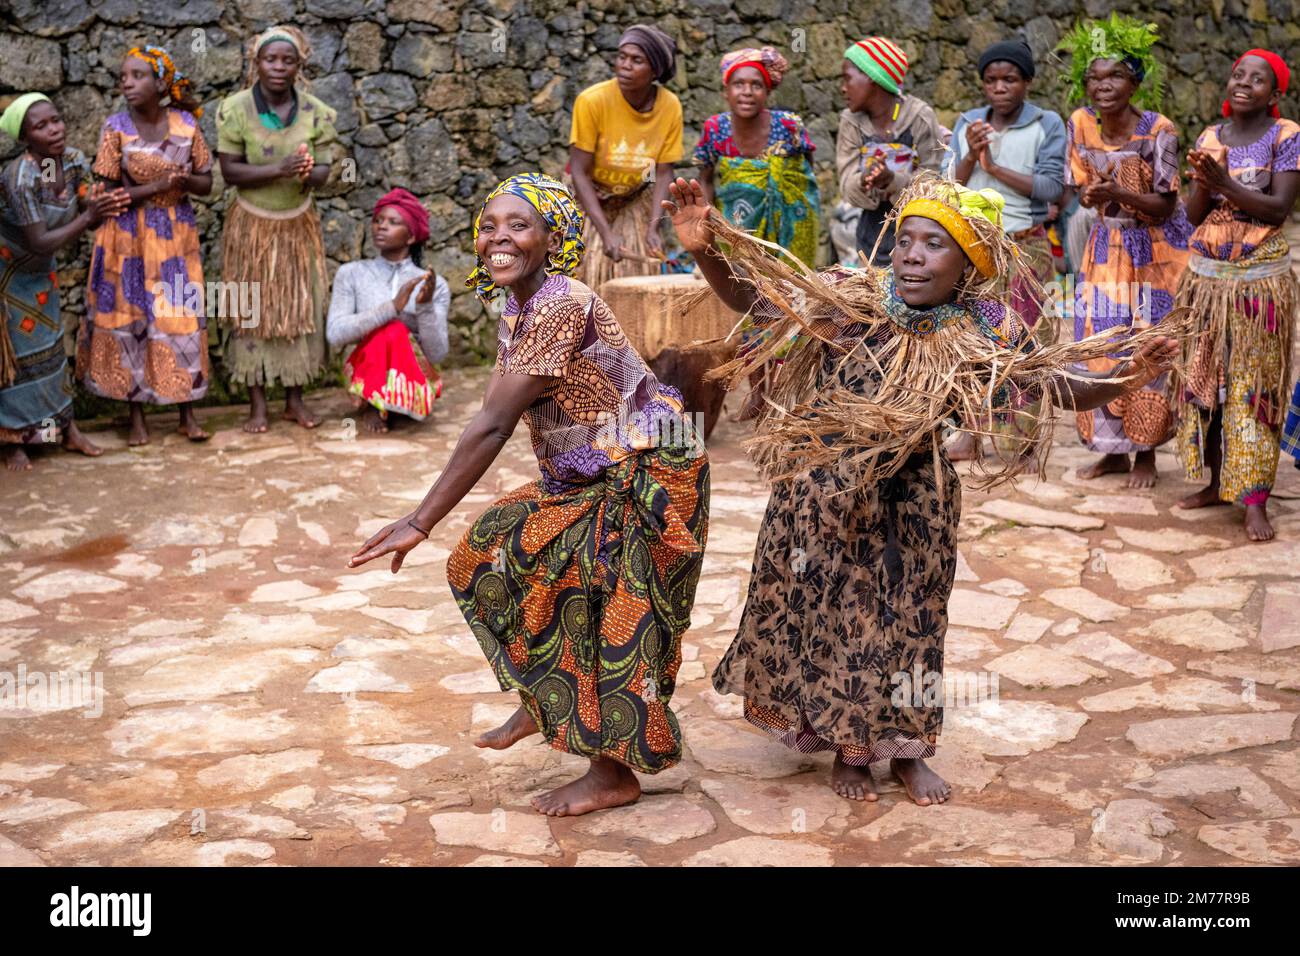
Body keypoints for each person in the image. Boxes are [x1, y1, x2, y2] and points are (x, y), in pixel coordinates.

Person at [664, 172, 1178, 803]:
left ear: (967, 264)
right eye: (905, 238)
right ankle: (848, 747)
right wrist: (704, 250)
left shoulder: (980, 331)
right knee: (833, 617)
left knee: (912, 621)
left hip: (914, 501)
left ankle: (906, 749)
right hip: (824, 492)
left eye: (934, 243)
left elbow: (1050, 386)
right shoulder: (851, 297)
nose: (911, 252)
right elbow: (758, 297)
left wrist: (1127, 379)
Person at [348, 174, 708, 817]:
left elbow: (491, 423)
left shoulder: (560, 304)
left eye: (518, 225)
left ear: (553, 238)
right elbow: (501, 409)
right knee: (490, 557)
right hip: (586, 472)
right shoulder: (520, 303)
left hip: (649, 469)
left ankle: (613, 773)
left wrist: (419, 519)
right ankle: (545, 698)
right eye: (489, 225)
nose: (498, 237)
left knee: (615, 618)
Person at [1057, 14, 1190, 488]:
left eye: (1114, 74)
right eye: (1094, 77)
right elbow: (1082, 188)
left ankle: (1147, 453)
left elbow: (1166, 200)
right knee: (1101, 345)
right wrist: (1092, 197)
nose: (1103, 85)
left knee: (1147, 342)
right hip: (1104, 248)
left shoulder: (1159, 130)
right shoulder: (1079, 125)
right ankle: (1110, 451)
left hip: (1153, 252)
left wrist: (1122, 194)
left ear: (1135, 80)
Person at [1174, 50, 1300, 542]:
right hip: (1206, 279)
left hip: (1258, 281)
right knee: (1204, 381)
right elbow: (1192, 215)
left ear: (1276, 92)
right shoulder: (1211, 137)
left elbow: (1278, 210)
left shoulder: (1287, 136)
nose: (1243, 83)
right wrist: (1207, 183)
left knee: (1256, 385)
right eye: (1238, 74)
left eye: (1258, 78)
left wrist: (1226, 182)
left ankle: (1253, 500)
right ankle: (1213, 481)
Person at [77, 46, 214, 446]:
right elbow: (107, 192)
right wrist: (157, 186)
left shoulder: (186, 124)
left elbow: (207, 183)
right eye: (124, 76)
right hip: (126, 238)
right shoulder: (116, 127)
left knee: (180, 319)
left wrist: (185, 183)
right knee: (130, 321)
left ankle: (186, 412)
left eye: (137, 75)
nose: (127, 82)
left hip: (175, 240)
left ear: (160, 83)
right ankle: (134, 415)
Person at [945, 38, 1067, 466]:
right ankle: (968, 431)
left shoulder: (1047, 124)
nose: (1000, 87)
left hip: (1024, 247)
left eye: (1010, 79)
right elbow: (951, 186)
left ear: (1027, 82)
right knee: (967, 339)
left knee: (1024, 341)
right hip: (972, 248)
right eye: (991, 80)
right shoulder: (968, 122)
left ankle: (1019, 438)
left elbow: (1053, 187)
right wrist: (972, 156)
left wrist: (993, 167)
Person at [216, 25, 336, 433]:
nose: (279, 67)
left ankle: (294, 400)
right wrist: (278, 169)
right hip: (252, 228)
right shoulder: (236, 109)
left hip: (297, 224)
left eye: (288, 60)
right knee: (252, 309)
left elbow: (324, 169)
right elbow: (230, 171)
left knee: (299, 308)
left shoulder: (316, 112)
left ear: (299, 65)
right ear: (257, 63)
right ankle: (257, 404)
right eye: (271, 59)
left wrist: (308, 173)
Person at [0, 94, 126, 470]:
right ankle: (12, 441)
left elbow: (74, 198)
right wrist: (90, 217)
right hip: (9, 278)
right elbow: (40, 238)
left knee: (52, 353)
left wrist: (98, 201)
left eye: (55, 120)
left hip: (39, 275)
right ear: (25, 139)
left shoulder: (62, 163)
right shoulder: (20, 178)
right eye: (41, 126)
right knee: (16, 362)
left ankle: (63, 430)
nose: (54, 129)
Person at [568, 24, 682, 292]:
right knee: (585, 273)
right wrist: (605, 233)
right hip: (589, 197)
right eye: (622, 57)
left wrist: (653, 228)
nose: (624, 66)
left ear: (655, 70)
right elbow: (578, 171)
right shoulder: (592, 101)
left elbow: (664, 172)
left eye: (636, 60)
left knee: (643, 275)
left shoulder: (670, 106)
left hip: (634, 197)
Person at [326, 188, 449, 433]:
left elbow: (437, 353)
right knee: (389, 328)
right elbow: (334, 334)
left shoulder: (434, 284)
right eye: (378, 220)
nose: (381, 226)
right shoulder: (351, 273)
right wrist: (392, 307)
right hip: (364, 367)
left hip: (414, 372)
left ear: (411, 236)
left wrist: (424, 308)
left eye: (393, 222)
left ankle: (401, 401)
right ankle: (373, 402)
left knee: (396, 330)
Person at [694, 46, 820, 267]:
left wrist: (790, 197)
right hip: (739, 222)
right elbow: (705, 178)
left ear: (768, 92)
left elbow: (805, 172)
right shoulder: (715, 128)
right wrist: (709, 221)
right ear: (726, 91)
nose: (747, 91)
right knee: (742, 282)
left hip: (790, 223)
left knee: (794, 284)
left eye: (756, 85)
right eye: (738, 84)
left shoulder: (789, 125)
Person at [836, 36, 945, 268]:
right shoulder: (851, 122)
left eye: (847, 79)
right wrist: (866, 179)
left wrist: (892, 180)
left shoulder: (919, 117)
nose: (842, 88)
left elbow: (934, 183)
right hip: (869, 240)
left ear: (872, 78)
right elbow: (846, 187)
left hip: (919, 238)